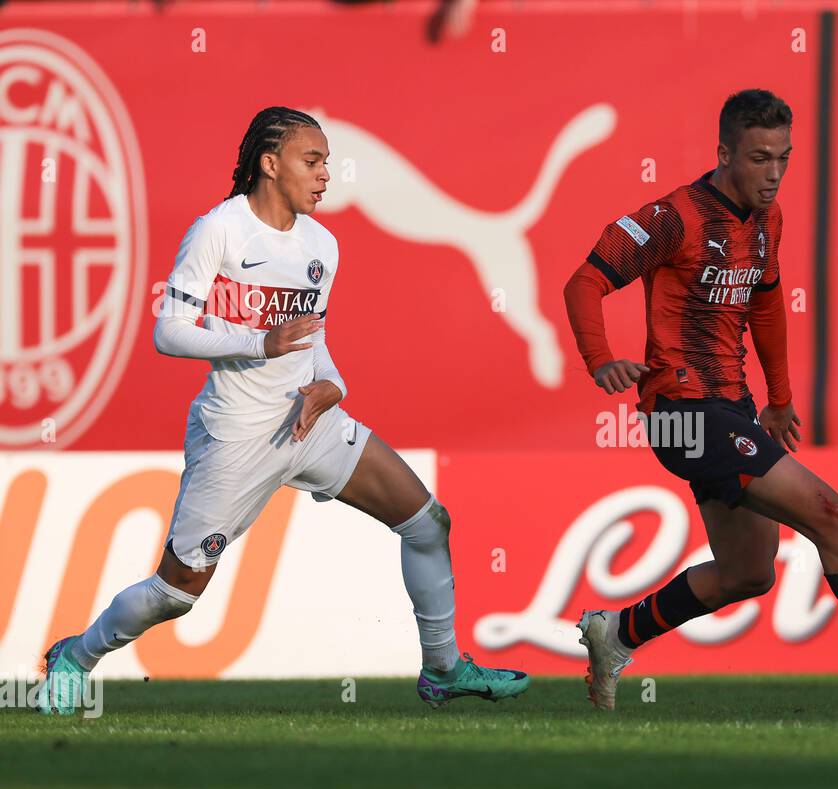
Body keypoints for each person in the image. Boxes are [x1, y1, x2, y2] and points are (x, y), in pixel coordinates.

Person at [35, 107, 530, 715]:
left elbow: (312, 338)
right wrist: (257, 342)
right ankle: (77, 656)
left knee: (427, 522)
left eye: (326, 162)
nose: (327, 175)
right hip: (238, 435)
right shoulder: (218, 230)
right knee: (176, 594)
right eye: (312, 161)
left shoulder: (322, 244)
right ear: (269, 165)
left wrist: (333, 387)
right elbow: (169, 331)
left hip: (311, 423)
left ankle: (443, 669)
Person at [563, 89, 838, 710]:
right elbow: (583, 281)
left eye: (784, 159)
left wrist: (780, 398)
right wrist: (600, 359)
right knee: (831, 512)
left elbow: (767, 304)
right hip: (683, 414)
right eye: (759, 158)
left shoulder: (767, 220)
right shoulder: (674, 218)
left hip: (732, 410)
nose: (773, 175)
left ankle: (617, 634)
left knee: (749, 572)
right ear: (724, 153)